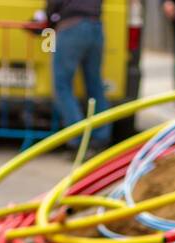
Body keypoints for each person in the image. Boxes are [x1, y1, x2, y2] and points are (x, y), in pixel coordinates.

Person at [47, 0, 110, 150]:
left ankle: (78, 138)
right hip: (95, 26)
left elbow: (53, 4)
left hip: (71, 27)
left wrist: (48, 20)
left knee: (62, 86)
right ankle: (101, 137)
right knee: (95, 85)